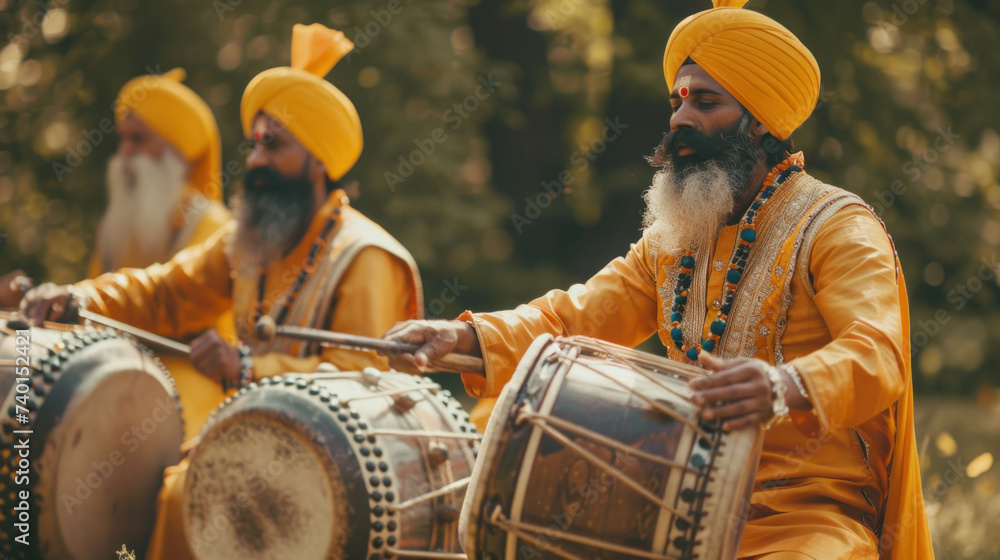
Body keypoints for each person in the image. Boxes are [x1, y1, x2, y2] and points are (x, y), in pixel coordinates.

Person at [383, 1, 932, 558]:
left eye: (706, 102)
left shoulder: (835, 226)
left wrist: (781, 387)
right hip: (675, 509)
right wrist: (464, 338)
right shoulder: (675, 241)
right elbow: (572, 317)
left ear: (762, 121)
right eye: (678, 101)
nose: (679, 119)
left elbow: (880, 352)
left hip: (807, 520)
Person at [21, 23, 423, 560]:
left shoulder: (366, 257)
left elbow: (362, 381)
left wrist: (250, 369)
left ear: (318, 159)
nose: (255, 160)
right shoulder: (246, 242)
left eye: (273, 145)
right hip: (250, 440)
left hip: (341, 472)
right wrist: (80, 300)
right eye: (254, 144)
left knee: (180, 498)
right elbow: (165, 293)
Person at [98, 68, 235, 439]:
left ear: (177, 150)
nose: (125, 152)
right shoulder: (115, 226)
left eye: (139, 139)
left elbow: (169, 303)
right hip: (109, 367)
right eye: (123, 139)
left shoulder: (214, 226)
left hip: (193, 375)